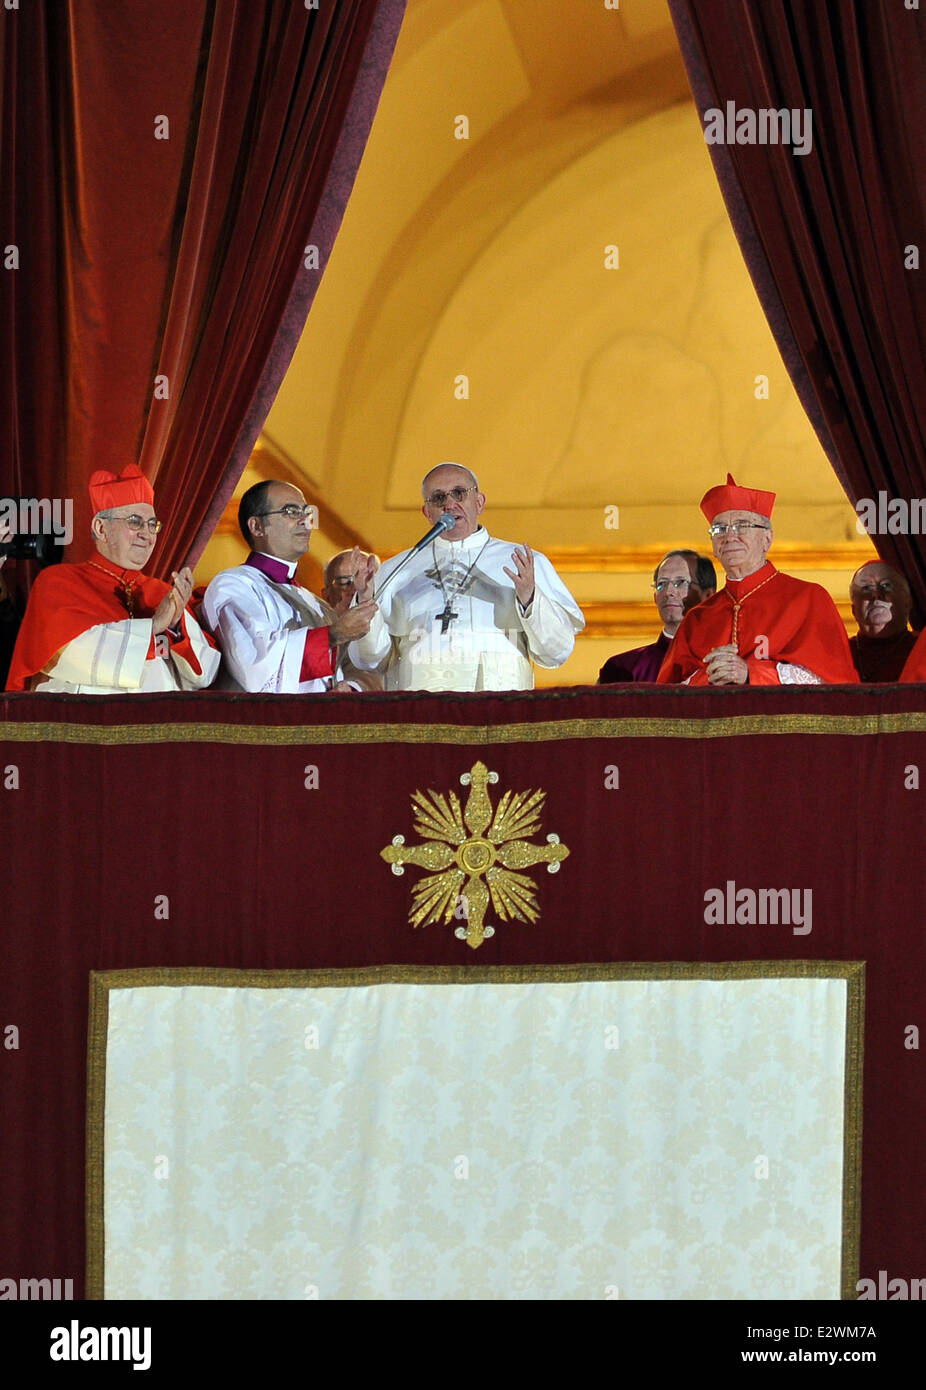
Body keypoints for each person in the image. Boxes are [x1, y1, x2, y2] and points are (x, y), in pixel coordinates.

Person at [346, 463, 584, 691]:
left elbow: (556, 652)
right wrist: (366, 601)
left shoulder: (523, 561)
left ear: (479, 502)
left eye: (459, 493)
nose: (450, 504)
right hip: (421, 714)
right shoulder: (397, 568)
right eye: (439, 498)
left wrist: (530, 600)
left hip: (501, 711)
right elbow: (369, 658)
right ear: (427, 512)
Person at [6, 466, 218, 693]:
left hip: (161, 724)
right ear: (101, 528)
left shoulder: (162, 592)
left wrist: (175, 627)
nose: (147, 534)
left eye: (152, 524)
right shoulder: (59, 581)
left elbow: (202, 676)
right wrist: (153, 627)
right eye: (135, 522)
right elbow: (74, 653)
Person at [657, 474, 858, 686]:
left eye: (742, 525)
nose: (730, 536)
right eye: (719, 529)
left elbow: (833, 682)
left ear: (767, 539)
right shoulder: (697, 619)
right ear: (714, 545)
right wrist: (709, 675)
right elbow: (666, 698)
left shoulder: (809, 599)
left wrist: (750, 672)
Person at [201, 480, 375, 693]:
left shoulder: (317, 605)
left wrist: (352, 687)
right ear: (257, 526)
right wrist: (332, 635)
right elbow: (255, 666)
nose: (306, 521)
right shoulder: (233, 585)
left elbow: (357, 667)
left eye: (307, 512)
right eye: (291, 512)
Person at [599, 550, 716, 683]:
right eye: (661, 584)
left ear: (708, 596)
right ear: (655, 598)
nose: (668, 592)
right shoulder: (621, 669)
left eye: (681, 582)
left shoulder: (725, 666)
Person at [848, 561, 917, 682]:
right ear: (854, 610)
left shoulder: (921, 649)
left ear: (907, 603)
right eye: (866, 588)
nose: (876, 595)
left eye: (886, 586)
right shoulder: (840, 653)